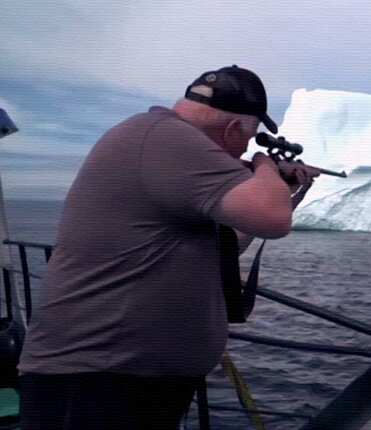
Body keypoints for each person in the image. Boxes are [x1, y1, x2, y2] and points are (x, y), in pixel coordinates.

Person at [16, 65, 319, 429]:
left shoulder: (162, 141)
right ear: (234, 127)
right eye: (252, 136)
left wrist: (283, 191)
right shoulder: (166, 137)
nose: (248, 145)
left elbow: (227, 244)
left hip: (126, 381)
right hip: (99, 380)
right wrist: (263, 166)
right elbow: (273, 219)